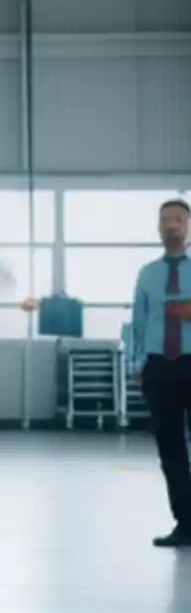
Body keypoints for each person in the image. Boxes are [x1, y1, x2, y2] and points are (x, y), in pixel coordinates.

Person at [131, 198, 191, 548]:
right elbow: (138, 323)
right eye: (166, 220)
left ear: (188, 228)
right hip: (159, 368)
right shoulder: (147, 274)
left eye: (179, 220)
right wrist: (136, 364)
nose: (172, 226)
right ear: (158, 228)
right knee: (171, 451)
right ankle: (185, 524)